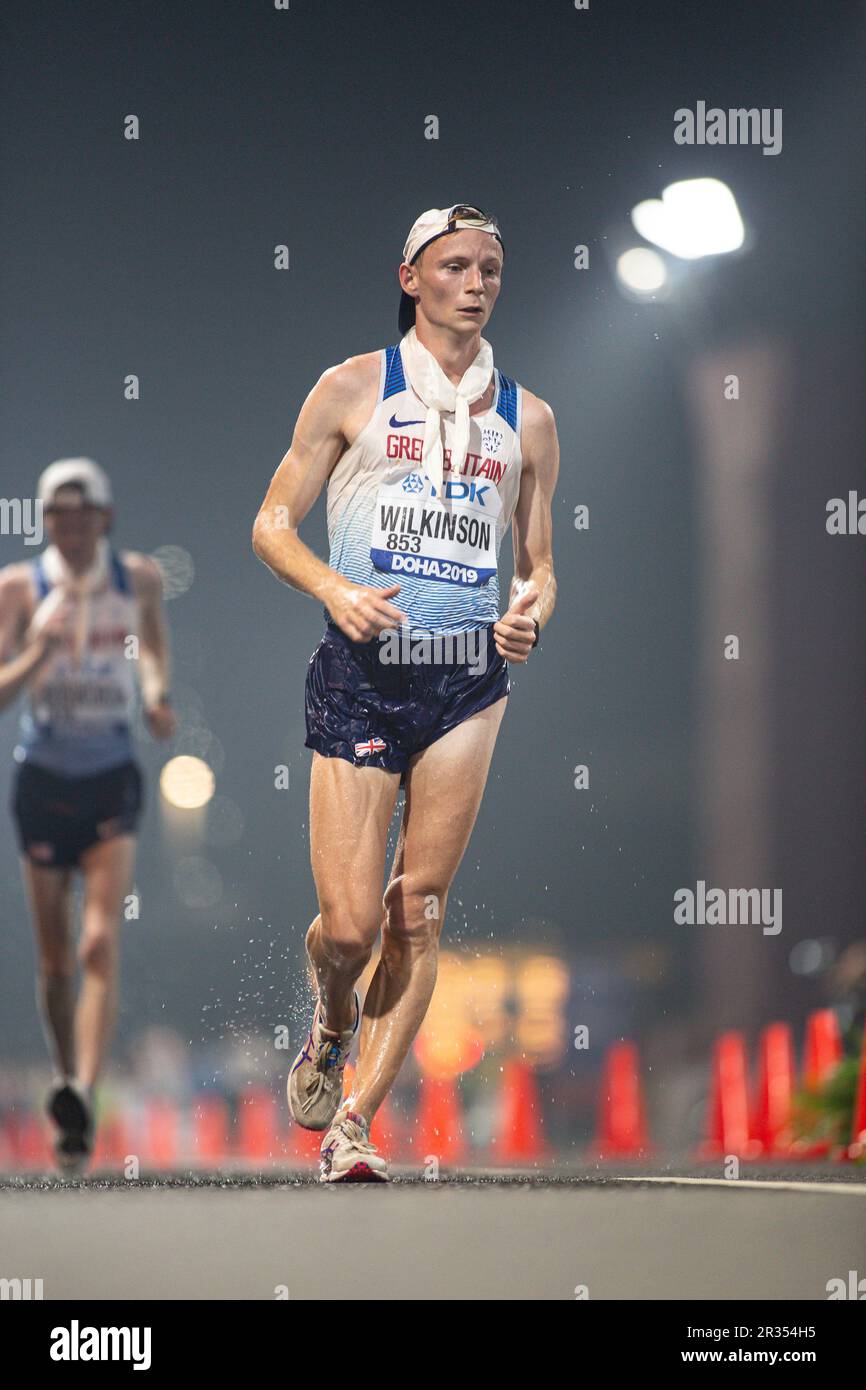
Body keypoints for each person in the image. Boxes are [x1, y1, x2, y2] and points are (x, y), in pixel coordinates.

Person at [253, 204, 559, 1181]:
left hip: (467, 680)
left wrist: (528, 609)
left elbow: (540, 562)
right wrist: (333, 586)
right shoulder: (351, 388)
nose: (475, 282)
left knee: (415, 908)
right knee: (346, 927)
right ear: (410, 277)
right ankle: (331, 1019)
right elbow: (268, 524)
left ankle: (354, 1123)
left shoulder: (530, 419)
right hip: (359, 677)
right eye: (455, 265)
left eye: (490, 268)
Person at [0, 458, 175, 1172]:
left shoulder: (139, 578)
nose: (69, 529)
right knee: (53, 959)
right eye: (55, 516)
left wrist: (158, 696)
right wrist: (38, 646)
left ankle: (83, 1087)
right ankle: (65, 1080)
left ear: (105, 516)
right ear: (43, 521)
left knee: (98, 942)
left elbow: (154, 651)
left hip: (110, 774)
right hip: (42, 780)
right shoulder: (18, 586)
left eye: (82, 515)